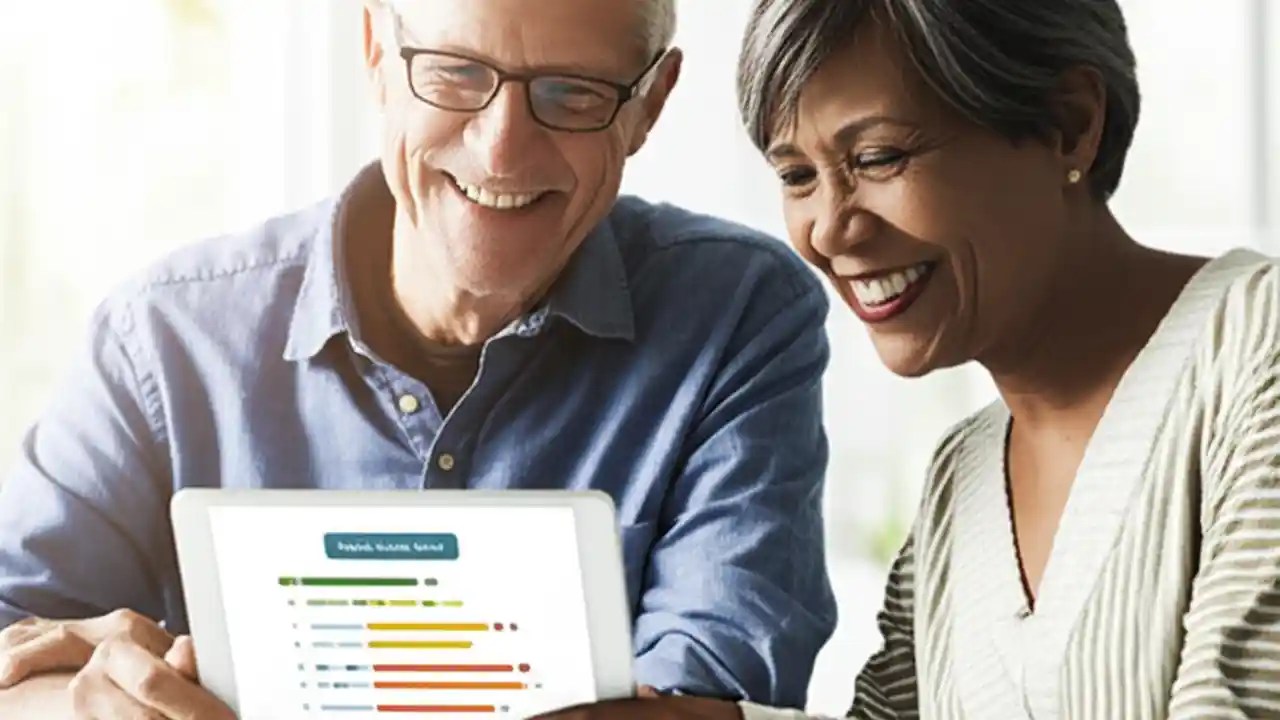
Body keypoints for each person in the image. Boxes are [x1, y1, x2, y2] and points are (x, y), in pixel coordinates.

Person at [0, 0, 839, 716]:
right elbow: (12, 651)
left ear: (649, 105)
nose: (503, 149)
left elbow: (716, 689)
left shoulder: (739, 317)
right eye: (455, 73)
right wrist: (80, 698)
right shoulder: (161, 341)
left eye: (571, 93)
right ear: (376, 55)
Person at [534, 0, 1280, 718]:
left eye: (879, 157)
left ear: (1069, 126)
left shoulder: (1255, 352)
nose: (829, 230)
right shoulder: (964, 476)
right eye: (797, 176)